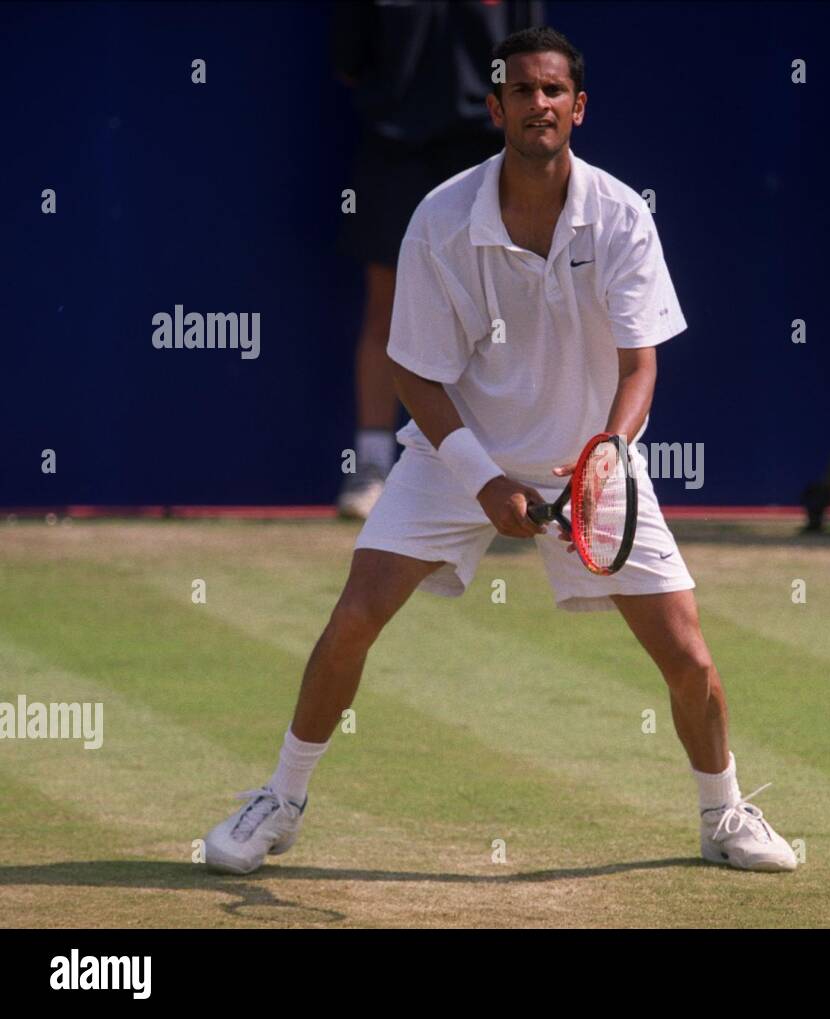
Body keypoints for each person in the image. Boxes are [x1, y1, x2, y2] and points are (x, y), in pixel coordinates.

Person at [203, 27, 797, 875]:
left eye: (554, 91)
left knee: (690, 657)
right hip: (459, 457)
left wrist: (608, 456)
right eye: (522, 92)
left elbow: (640, 364)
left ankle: (723, 813)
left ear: (578, 108)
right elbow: (413, 371)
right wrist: (482, 479)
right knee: (353, 617)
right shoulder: (440, 219)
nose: (539, 105)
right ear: (497, 108)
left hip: (593, 460)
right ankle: (281, 800)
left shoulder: (623, 215)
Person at [332, 0, 541, 519]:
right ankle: (372, 467)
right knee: (388, 306)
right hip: (394, 149)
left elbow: (531, 55)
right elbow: (348, 58)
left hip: (487, 147)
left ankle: (503, 465)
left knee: (499, 308)